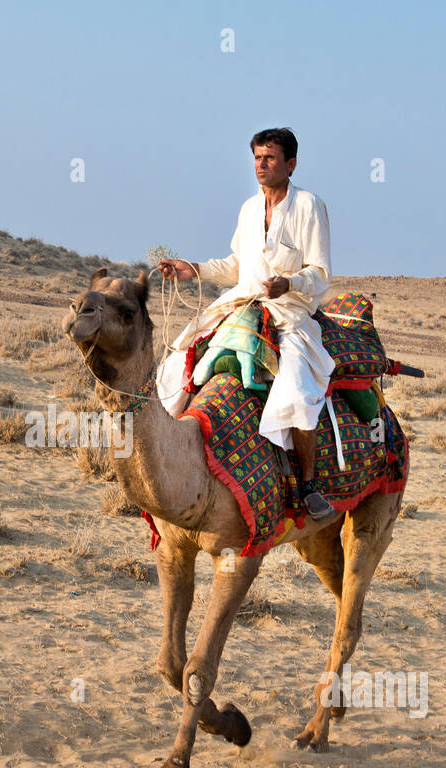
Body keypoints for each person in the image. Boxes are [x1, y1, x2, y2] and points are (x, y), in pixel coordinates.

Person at [157, 127, 336, 519]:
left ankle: (307, 485)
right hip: (242, 305)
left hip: (290, 312)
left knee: (296, 388)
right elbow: (238, 267)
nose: (261, 165)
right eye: (257, 157)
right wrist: (195, 269)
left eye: (269, 158)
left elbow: (321, 272)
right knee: (178, 361)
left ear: (290, 164)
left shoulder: (309, 206)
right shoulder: (248, 210)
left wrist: (291, 283)